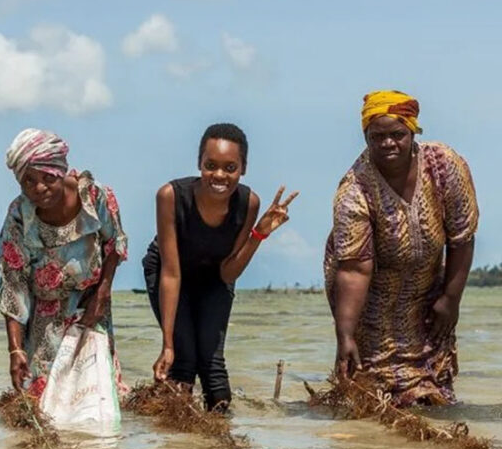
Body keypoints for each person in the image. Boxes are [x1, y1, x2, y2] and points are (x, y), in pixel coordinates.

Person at [325, 91, 478, 405]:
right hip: (369, 292)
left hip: (427, 284)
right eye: (377, 136)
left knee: (434, 383)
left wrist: (451, 298)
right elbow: (355, 269)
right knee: (375, 384)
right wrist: (345, 335)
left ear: (413, 132)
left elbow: (462, 237)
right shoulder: (355, 189)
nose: (388, 143)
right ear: (366, 137)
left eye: (397, 134)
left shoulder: (444, 166)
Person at [143, 123, 297, 410]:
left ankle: (218, 446)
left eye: (230, 168)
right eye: (210, 165)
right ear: (199, 163)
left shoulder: (248, 202)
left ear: (243, 168)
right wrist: (167, 343)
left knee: (213, 366)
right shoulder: (171, 196)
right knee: (183, 359)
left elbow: (228, 273)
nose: (219, 175)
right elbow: (171, 273)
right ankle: (172, 443)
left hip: (215, 275)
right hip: (169, 271)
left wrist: (259, 234)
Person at [0, 129, 128, 398]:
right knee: (44, 399)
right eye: (28, 181)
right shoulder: (18, 217)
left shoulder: (94, 197)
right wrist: (15, 349)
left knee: (96, 393)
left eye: (48, 178)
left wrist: (102, 293)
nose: (39, 188)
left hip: (91, 306)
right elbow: (13, 284)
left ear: (60, 171)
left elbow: (114, 244)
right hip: (44, 317)